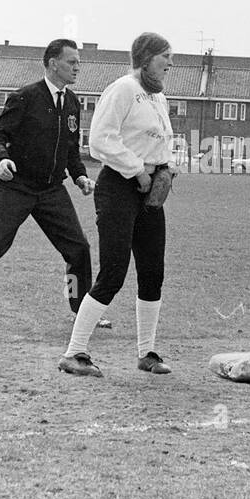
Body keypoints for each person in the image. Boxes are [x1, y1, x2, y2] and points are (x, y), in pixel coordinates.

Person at [0, 38, 108, 329]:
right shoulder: (25, 97)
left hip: (51, 190)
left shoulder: (72, 102)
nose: (78, 68)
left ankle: (80, 310)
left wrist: (80, 176)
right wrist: (1, 160)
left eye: (79, 62)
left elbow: (70, 150)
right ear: (52, 63)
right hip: (17, 187)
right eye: (71, 62)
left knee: (78, 250)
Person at [58, 33, 175, 378]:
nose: (170, 64)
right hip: (118, 189)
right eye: (164, 57)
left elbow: (155, 144)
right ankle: (74, 352)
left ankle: (147, 353)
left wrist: (165, 168)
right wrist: (138, 169)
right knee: (113, 272)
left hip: (148, 192)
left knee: (153, 272)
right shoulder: (123, 89)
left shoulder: (159, 98)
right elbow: (99, 140)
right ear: (145, 58)